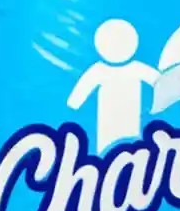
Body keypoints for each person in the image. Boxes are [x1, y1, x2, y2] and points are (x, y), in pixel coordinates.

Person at [67, 19, 159, 153]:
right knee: (114, 148)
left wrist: (74, 103)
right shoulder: (102, 70)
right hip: (110, 122)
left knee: (127, 146)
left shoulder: (103, 70)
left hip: (128, 119)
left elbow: (158, 81)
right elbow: (159, 81)